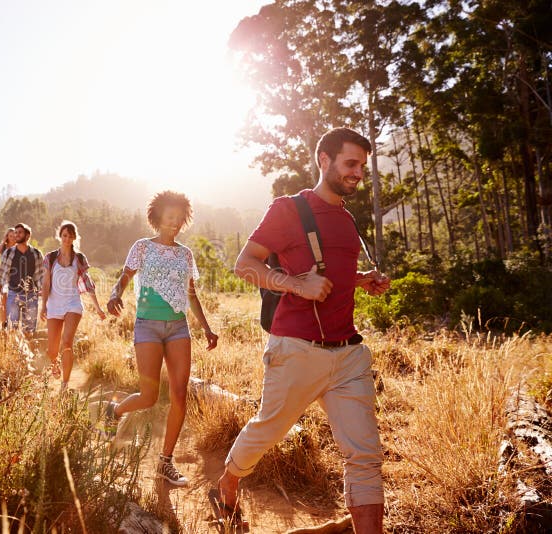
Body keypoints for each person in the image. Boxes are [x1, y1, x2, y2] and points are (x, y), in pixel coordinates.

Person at [213, 127, 391, 533]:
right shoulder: (288, 210)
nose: (358, 173)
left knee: (365, 457)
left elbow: (330, 272)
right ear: (324, 161)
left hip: (349, 354)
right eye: (350, 164)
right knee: (267, 429)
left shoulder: (347, 219)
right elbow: (245, 264)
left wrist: (362, 279)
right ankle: (228, 480)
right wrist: (295, 284)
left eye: (362, 166)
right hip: (296, 350)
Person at [106, 190, 219, 487]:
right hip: (148, 327)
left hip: (178, 327)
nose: (175, 224)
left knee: (179, 394)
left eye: (180, 220)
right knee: (149, 396)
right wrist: (115, 294)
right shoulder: (142, 247)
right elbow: (125, 277)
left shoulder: (185, 254)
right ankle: (114, 410)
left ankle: (164, 462)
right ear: (157, 218)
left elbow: (191, 294)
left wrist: (206, 327)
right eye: (170, 218)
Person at [40, 220, 106, 391]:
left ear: (74, 238)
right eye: (64, 235)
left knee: (67, 342)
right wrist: (43, 306)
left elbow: (88, 283)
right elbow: (46, 284)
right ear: (59, 236)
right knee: (52, 350)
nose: (67, 239)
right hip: (54, 305)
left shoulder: (79, 258)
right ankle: (55, 364)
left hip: (73, 304)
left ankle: (64, 384)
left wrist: (98, 308)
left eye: (70, 236)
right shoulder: (50, 258)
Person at [0, 223, 44, 335]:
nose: (16, 235)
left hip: (31, 296)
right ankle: (13, 352)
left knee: (29, 331)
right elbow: (0, 274)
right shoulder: (8, 253)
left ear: (27, 236)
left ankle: (27, 351)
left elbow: (41, 275)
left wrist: (42, 292)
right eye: (15, 232)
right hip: (13, 295)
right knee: (12, 329)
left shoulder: (36, 254)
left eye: (20, 232)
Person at [0, 227, 18, 330]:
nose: (12, 238)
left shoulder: (18, 248)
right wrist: (3, 242)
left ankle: (13, 324)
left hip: (14, 276)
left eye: (14, 236)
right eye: (10, 236)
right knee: (3, 299)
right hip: (3, 275)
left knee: (13, 301)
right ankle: (4, 324)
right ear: (7, 237)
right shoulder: (4, 247)